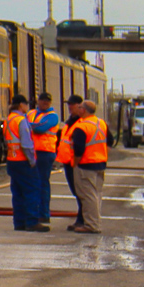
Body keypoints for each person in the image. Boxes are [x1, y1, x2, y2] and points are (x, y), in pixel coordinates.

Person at [70, 100, 110, 234]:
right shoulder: (101, 123)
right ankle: (95, 222)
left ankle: (92, 225)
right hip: (100, 163)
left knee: (88, 195)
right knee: (96, 194)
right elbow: (109, 141)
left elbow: (79, 149)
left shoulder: (82, 127)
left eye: (80, 107)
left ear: (83, 110)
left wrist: (75, 163)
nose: (77, 108)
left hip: (86, 165)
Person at [27, 92, 60, 232]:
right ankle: (36, 213)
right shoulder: (31, 113)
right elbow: (27, 125)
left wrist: (30, 126)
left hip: (45, 153)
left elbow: (40, 129)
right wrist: (33, 125)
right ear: (38, 101)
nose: (45, 102)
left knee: (42, 183)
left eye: (48, 100)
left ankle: (44, 214)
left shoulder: (53, 116)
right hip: (33, 152)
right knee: (33, 183)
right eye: (43, 100)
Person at [2, 96, 36, 231]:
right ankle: (32, 222)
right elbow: (26, 144)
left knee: (17, 194)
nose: (27, 107)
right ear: (21, 105)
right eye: (26, 104)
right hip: (23, 161)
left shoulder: (8, 120)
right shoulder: (21, 120)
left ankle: (19, 222)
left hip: (12, 160)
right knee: (30, 191)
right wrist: (32, 161)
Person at [57, 94, 83, 229]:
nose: (70, 107)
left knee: (81, 192)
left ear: (80, 106)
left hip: (77, 163)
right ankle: (81, 219)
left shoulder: (82, 123)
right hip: (68, 162)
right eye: (69, 105)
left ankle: (82, 220)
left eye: (72, 105)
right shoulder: (69, 123)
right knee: (76, 192)